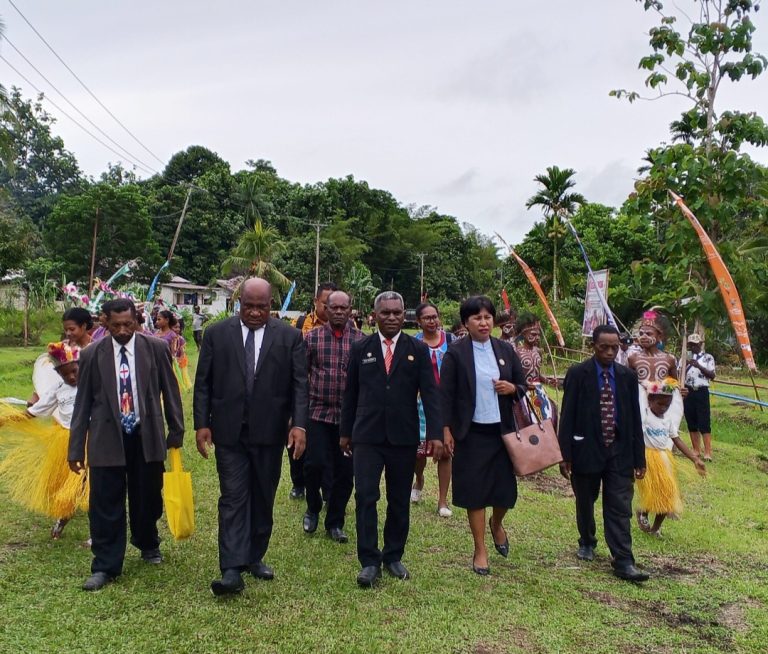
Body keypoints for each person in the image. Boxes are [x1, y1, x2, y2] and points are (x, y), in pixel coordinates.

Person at [194, 278, 308, 596]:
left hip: (270, 434)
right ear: (238, 302)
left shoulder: (290, 337)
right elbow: (203, 383)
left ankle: (254, 556)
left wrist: (299, 425)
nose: (255, 312)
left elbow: (300, 385)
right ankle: (231, 570)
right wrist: (201, 423)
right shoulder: (216, 334)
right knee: (232, 498)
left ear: (271, 305)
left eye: (262, 306)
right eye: (249, 306)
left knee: (263, 496)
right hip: (229, 432)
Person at [68, 298, 185, 592]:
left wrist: (177, 428)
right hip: (107, 437)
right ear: (105, 322)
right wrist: (75, 448)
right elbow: (82, 404)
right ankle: (106, 564)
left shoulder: (155, 349)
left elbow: (170, 391)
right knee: (105, 502)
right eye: (116, 324)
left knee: (147, 496)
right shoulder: (93, 354)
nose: (122, 330)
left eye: (128, 324)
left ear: (136, 321)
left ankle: (147, 542)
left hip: (146, 435)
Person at [340, 291, 442, 588]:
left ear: (404, 315)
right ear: (375, 316)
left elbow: (432, 394)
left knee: (399, 499)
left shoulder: (417, 350)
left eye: (397, 312)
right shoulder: (361, 349)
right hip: (367, 437)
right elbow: (351, 394)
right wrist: (345, 432)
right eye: (385, 313)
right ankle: (369, 561)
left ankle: (393, 555)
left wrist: (435, 433)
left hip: (403, 437)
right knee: (366, 497)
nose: (392, 317)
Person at [439, 296, 526, 576]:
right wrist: (445, 429)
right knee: (474, 492)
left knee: (505, 493)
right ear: (466, 322)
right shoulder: (456, 353)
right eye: (477, 318)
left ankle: (496, 524)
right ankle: (480, 549)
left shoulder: (505, 349)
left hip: (503, 431)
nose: (484, 322)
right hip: (471, 432)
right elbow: (446, 395)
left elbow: (524, 385)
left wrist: (512, 388)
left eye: (488, 317)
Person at [558, 325, 649, 582]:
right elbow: (568, 414)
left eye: (615, 347)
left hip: (619, 451)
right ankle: (587, 539)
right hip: (586, 447)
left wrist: (639, 456)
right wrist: (565, 453)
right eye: (603, 347)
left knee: (620, 506)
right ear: (593, 347)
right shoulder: (578, 374)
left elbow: (633, 417)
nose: (610, 352)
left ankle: (623, 560)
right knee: (585, 499)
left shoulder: (627, 377)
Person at [0, 342, 88, 540]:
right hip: (69, 441)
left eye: (74, 371)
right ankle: (62, 519)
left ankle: (97, 532)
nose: (71, 377)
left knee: (92, 486)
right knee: (72, 486)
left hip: (95, 439)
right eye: (66, 374)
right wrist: (6, 420)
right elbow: (33, 412)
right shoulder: (58, 389)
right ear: (58, 375)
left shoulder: (93, 382)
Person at [302, 290, 363, 543]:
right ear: (325, 309)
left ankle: (335, 522)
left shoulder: (361, 341)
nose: (338, 312)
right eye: (333, 307)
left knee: (344, 473)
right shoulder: (312, 338)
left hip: (349, 420)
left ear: (351, 310)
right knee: (313, 464)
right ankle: (313, 507)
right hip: (317, 413)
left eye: (343, 308)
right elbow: (300, 376)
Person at [635, 378, 706, 537]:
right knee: (653, 490)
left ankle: (656, 528)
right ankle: (643, 512)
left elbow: (677, 440)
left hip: (664, 458)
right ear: (650, 400)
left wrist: (694, 459)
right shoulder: (645, 417)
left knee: (668, 493)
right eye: (660, 404)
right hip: (647, 457)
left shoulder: (667, 420)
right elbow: (636, 437)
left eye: (667, 405)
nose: (663, 408)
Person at [288, 282, 339, 499]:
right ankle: (298, 483)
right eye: (326, 304)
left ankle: (327, 489)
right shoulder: (298, 324)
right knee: (296, 440)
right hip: (301, 393)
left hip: (327, 397)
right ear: (316, 302)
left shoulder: (348, 327)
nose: (330, 309)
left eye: (334, 304)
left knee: (326, 448)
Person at [410, 302, 454, 517]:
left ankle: (443, 501)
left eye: (434, 316)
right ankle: (418, 480)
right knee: (419, 451)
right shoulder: (413, 343)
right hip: (419, 404)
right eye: (427, 318)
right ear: (419, 321)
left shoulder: (451, 341)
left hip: (445, 404)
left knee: (446, 451)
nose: (432, 321)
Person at [513, 313, 557, 426]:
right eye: (533, 334)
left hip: (538, 390)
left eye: (538, 335)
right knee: (526, 418)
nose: (537, 337)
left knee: (550, 414)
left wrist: (547, 381)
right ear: (523, 334)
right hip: (523, 390)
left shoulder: (538, 352)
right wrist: (523, 384)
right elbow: (513, 375)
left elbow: (537, 373)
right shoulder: (517, 352)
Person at [683, 333, 716, 462]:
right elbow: (679, 373)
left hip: (701, 391)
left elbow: (712, 375)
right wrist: (687, 364)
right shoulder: (685, 358)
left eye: (695, 345)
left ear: (700, 345)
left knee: (704, 421)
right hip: (688, 391)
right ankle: (696, 449)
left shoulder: (708, 358)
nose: (693, 347)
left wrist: (699, 366)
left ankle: (708, 452)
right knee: (691, 420)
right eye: (691, 345)